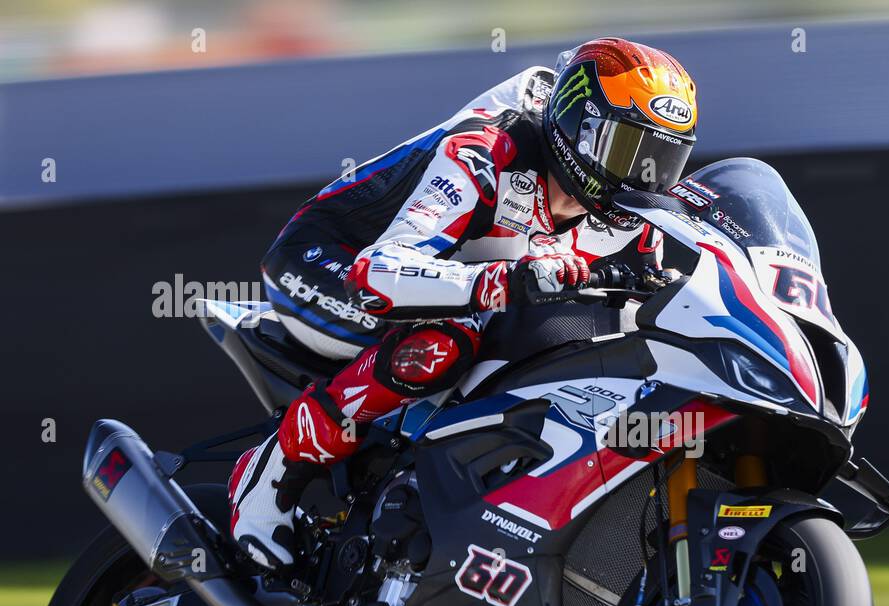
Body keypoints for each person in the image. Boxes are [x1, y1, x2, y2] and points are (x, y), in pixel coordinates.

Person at [228, 37, 698, 568]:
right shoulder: (488, 149)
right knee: (445, 342)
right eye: (627, 152)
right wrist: (511, 280)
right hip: (326, 261)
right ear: (577, 128)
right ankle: (272, 473)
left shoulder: (632, 218)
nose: (643, 179)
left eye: (662, 160)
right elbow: (376, 277)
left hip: (458, 287)